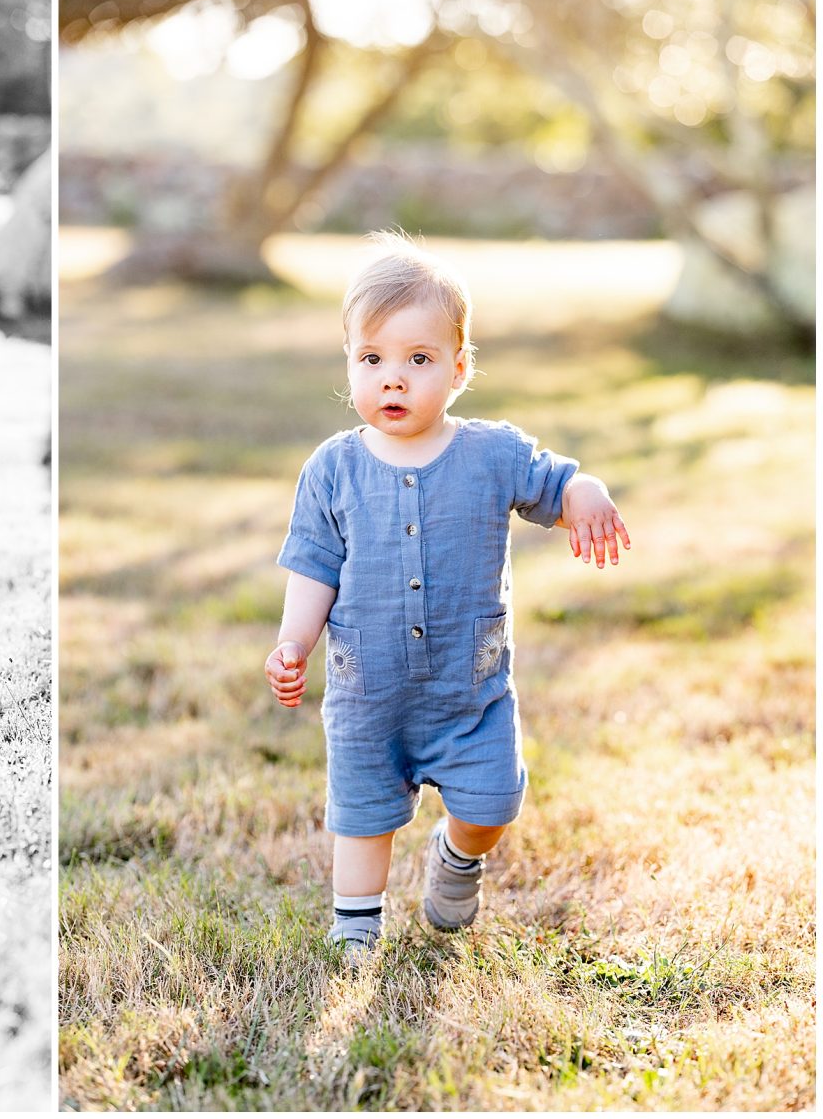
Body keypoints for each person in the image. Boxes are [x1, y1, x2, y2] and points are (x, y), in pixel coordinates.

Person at [264, 231, 630, 961]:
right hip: (370, 694)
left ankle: (459, 857)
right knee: (363, 813)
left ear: (459, 369)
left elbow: (556, 485)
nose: (392, 379)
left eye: (418, 359)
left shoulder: (491, 453)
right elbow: (313, 566)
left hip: (470, 690)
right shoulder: (331, 469)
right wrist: (293, 642)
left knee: (494, 801)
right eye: (372, 359)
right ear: (349, 364)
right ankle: (356, 924)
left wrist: (585, 492)